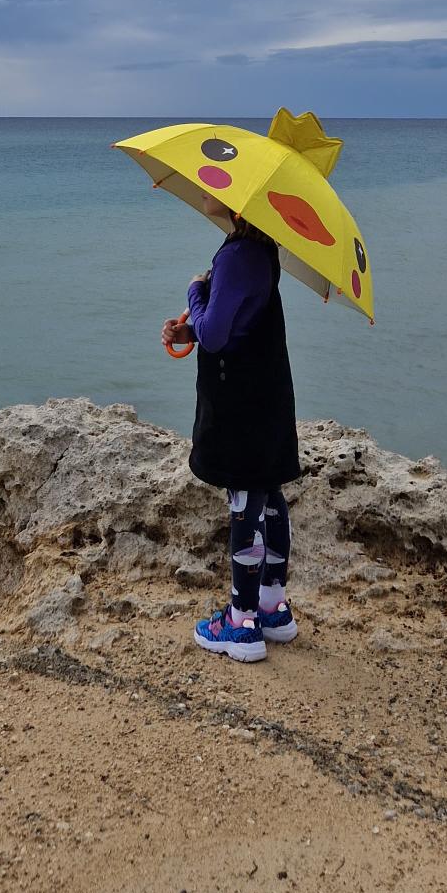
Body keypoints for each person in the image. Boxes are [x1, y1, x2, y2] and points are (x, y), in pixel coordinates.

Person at [162, 214, 299, 663]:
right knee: (268, 491)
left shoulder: (238, 254)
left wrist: (195, 293)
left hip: (239, 404)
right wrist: (191, 329)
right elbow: (235, 324)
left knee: (244, 500)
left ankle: (242, 623)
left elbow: (218, 336)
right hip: (268, 395)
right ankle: (272, 606)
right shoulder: (262, 251)